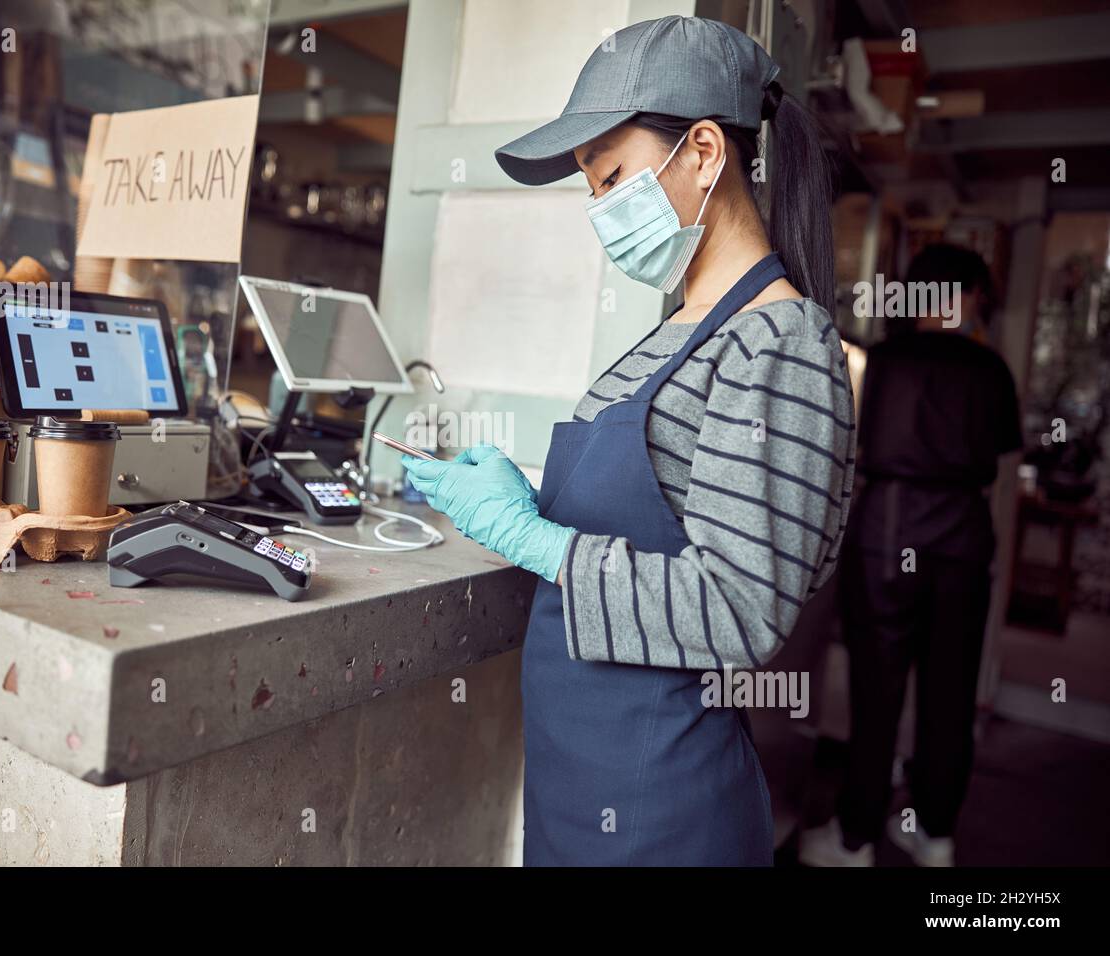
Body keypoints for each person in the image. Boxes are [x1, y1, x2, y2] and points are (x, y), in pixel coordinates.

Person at [400, 16, 854, 866]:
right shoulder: (678, 331)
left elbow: (739, 608)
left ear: (706, 152)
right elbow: (650, 527)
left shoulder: (778, 343)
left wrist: (539, 540)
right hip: (580, 787)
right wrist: (526, 503)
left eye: (610, 177)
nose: (599, 209)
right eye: (590, 186)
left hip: (662, 811)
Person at [799, 243, 1022, 867]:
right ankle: (934, 834)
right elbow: (1000, 466)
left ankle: (854, 839)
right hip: (962, 537)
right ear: (969, 294)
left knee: (876, 690)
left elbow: (844, 447)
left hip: (886, 533)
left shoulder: (880, 364)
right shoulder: (992, 370)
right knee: (951, 692)